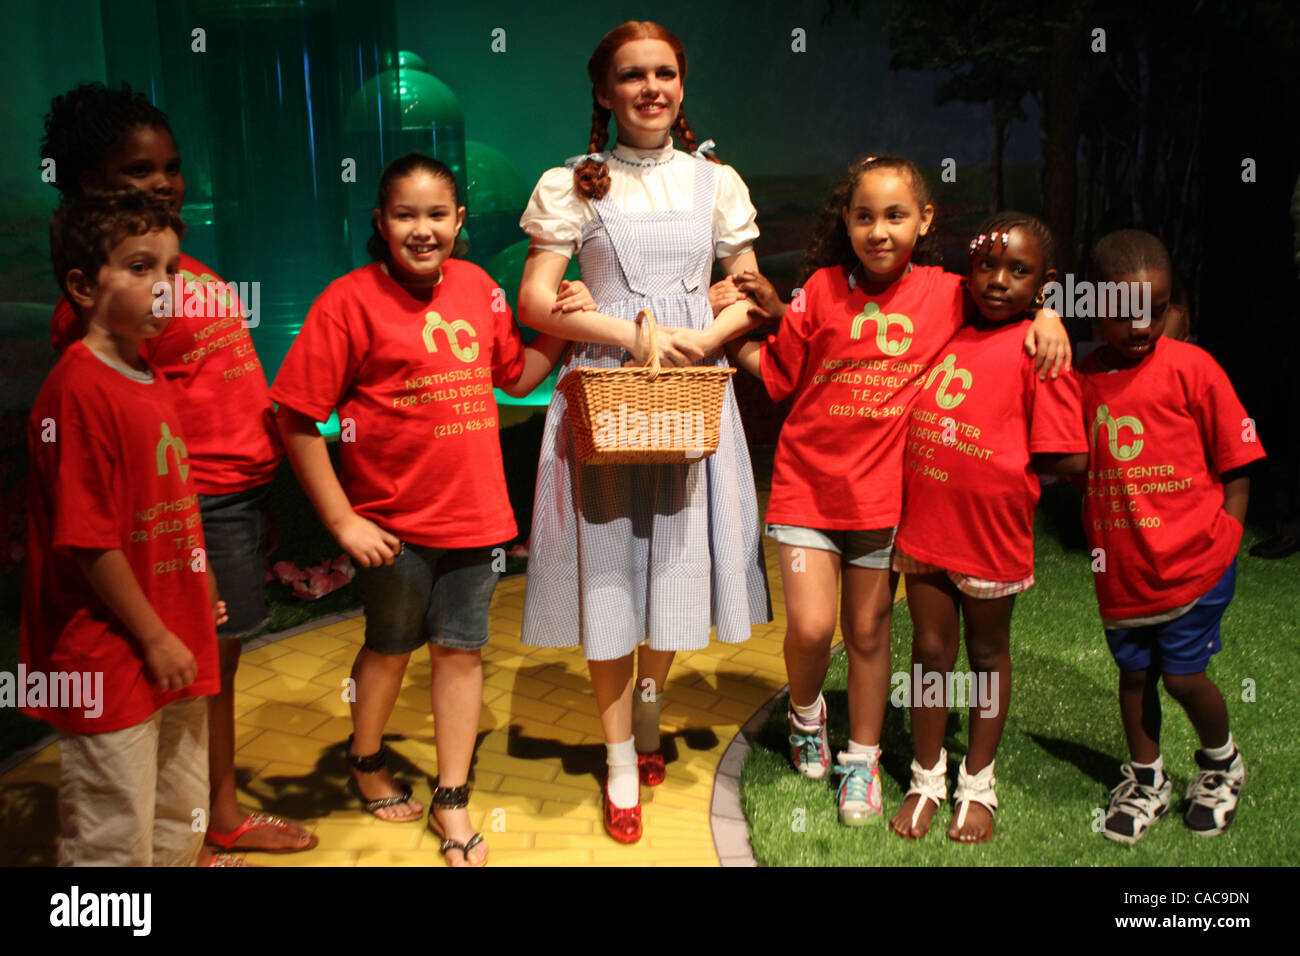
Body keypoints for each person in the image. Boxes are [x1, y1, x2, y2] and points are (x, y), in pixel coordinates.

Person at [727, 159, 1070, 831]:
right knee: (811, 627)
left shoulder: (949, 292)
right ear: (846, 222)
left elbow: (1013, 289)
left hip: (886, 498)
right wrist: (740, 331)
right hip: (807, 488)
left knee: (867, 630)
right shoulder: (821, 288)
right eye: (864, 216)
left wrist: (1050, 316)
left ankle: (861, 758)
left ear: (924, 220)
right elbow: (783, 375)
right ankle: (805, 714)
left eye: (894, 216)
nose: (879, 231)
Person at [271, 153, 577, 865]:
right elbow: (294, 416)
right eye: (405, 215)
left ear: (459, 220)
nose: (422, 229)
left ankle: (452, 798)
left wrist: (562, 325)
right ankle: (366, 757)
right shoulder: (347, 301)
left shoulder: (477, 287)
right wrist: (344, 521)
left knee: (462, 653)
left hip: (477, 520)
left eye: (437, 214)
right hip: (393, 530)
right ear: (379, 222)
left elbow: (518, 375)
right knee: (389, 647)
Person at [39, 83, 315, 853]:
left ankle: (197, 819)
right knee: (186, 672)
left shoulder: (162, 270)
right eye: (137, 170)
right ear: (90, 183)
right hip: (192, 505)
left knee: (207, 674)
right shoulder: (107, 306)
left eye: (170, 166)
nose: (163, 182)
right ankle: (193, 824)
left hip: (232, 495)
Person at [515, 20, 772, 844]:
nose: (651, 88)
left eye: (665, 73)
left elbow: (748, 286)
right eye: (633, 76)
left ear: (682, 86)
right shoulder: (572, 184)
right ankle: (619, 757)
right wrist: (632, 335)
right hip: (605, 397)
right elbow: (534, 298)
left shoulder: (716, 181)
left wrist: (710, 336)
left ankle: (651, 711)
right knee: (609, 578)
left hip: (693, 392)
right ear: (604, 91)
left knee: (674, 562)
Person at [23, 189, 224, 865]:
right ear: (82, 284)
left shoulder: (146, 373)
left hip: (171, 635)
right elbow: (88, 541)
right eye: (140, 267)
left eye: (170, 269)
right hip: (111, 657)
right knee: (114, 837)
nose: (164, 287)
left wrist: (199, 591)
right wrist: (156, 635)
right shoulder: (77, 391)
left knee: (177, 811)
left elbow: (170, 506)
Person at [889, 214, 1087, 842]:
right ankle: (927, 776)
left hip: (990, 538)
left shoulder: (1040, 350)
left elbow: (1068, 457)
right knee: (927, 652)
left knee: (988, 656)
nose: (998, 280)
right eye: (986, 267)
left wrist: (1006, 468)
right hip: (924, 529)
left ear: (1044, 283)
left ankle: (979, 781)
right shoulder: (947, 330)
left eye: (1019, 271)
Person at [1074, 229, 1264, 843]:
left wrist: (1229, 533)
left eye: (1154, 312)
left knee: (1182, 677)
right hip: (1122, 572)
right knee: (1133, 677)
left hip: (1194, 567)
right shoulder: (1078, 376)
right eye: (1124, 312)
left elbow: (1237, 461)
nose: (1140, 326)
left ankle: (1221, 763)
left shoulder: (1194, 367)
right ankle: (1147, 778)